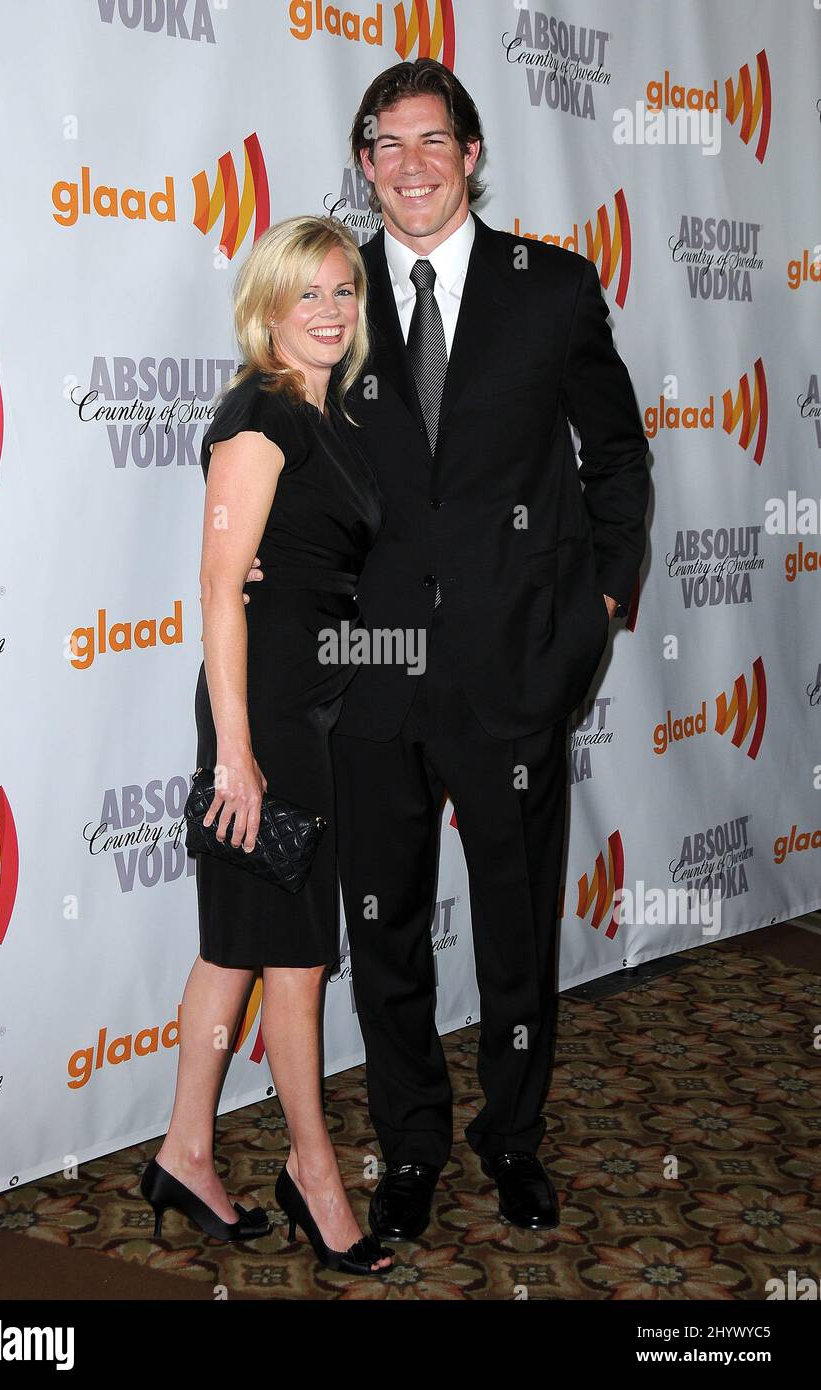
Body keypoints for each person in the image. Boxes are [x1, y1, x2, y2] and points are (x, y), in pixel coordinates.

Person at [249, 59, 650, 1242]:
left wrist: (603, 609)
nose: (410, 166)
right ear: (364, 163)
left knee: (518, 924)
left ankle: (512, 1136)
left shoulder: (554, 290)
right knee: (381, 926)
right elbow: (285, 440)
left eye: (434, 142)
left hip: (515, 669)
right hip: (371, 678)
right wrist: (263, 556)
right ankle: (412, 1141)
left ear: (472, 155)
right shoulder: (336, 295)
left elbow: (617, 459)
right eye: (387, 144)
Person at [141, 215, 392, 1276]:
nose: (331, 311)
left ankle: (186, 1152)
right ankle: (315, 1175)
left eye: (344, 292)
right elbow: (217, 587)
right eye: (309, 295)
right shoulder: (258, 416)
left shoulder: (330, 418)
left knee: (236, 943)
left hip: (313, 704)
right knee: (295, 961)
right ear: (268, 309)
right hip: (269, 718)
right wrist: (235, 755)